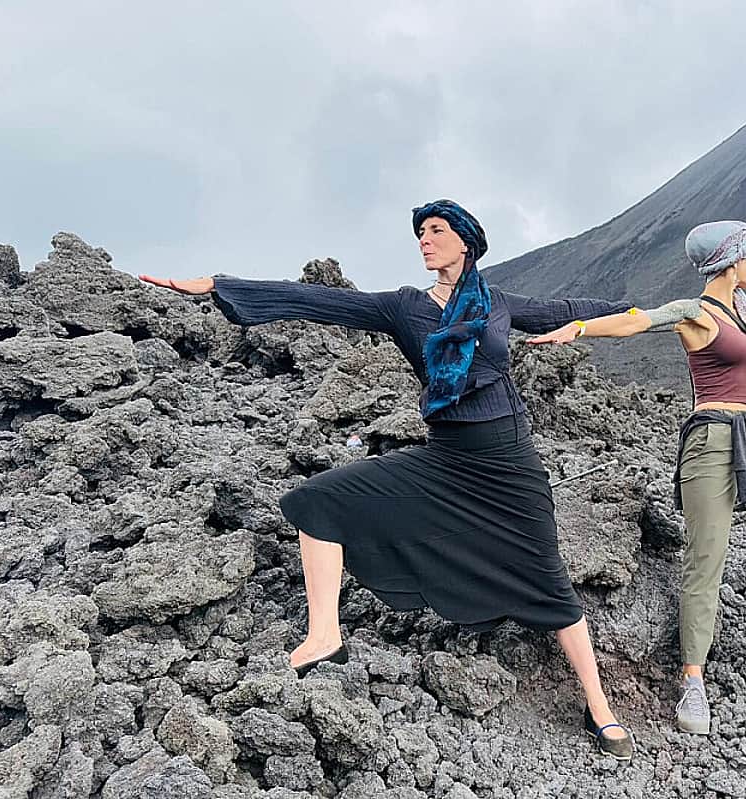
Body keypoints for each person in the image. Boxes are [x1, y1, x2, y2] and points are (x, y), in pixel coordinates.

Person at [141, 200, 634, 760]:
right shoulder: (404, 307)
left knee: (550, 578)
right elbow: (321, 302)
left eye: (436, 231)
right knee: (317, 500)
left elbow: (572, 310)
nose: (424, 241)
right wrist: (221, 286)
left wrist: (663, 311)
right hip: (447, 459)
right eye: (420, 233)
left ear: (466, 241)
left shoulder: (497, 303)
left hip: (510, 466)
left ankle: (599, 706)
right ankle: (324, 634)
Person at [527, 220, 746, 735]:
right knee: (706, 562)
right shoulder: (696, 313)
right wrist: (581, 329)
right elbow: (637, 321)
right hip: (710, 444)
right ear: (732, 260)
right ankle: (692, 683)